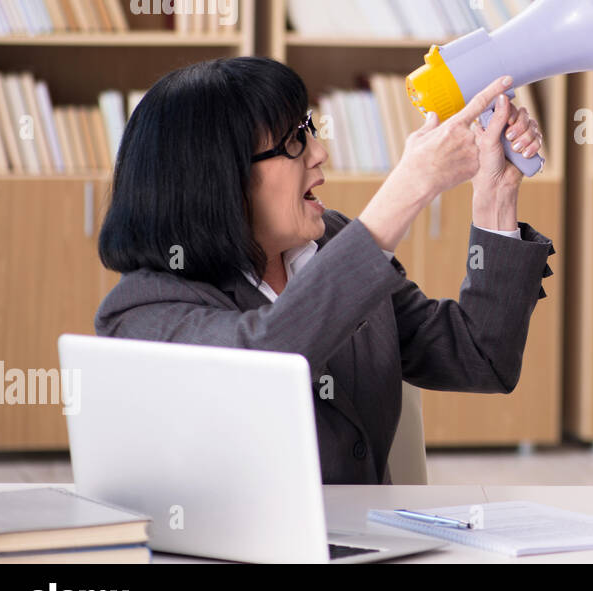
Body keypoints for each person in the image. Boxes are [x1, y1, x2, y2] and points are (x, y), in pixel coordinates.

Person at [95, 55, 555, 484]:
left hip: (371, 545)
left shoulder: (330, 241)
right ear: (217, 177)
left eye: (309, 130)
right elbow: (263, 362)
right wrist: (409, 189)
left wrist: (495, 196)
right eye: (295, 140)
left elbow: (479, 358)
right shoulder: (143, 310)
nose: (319, 152)